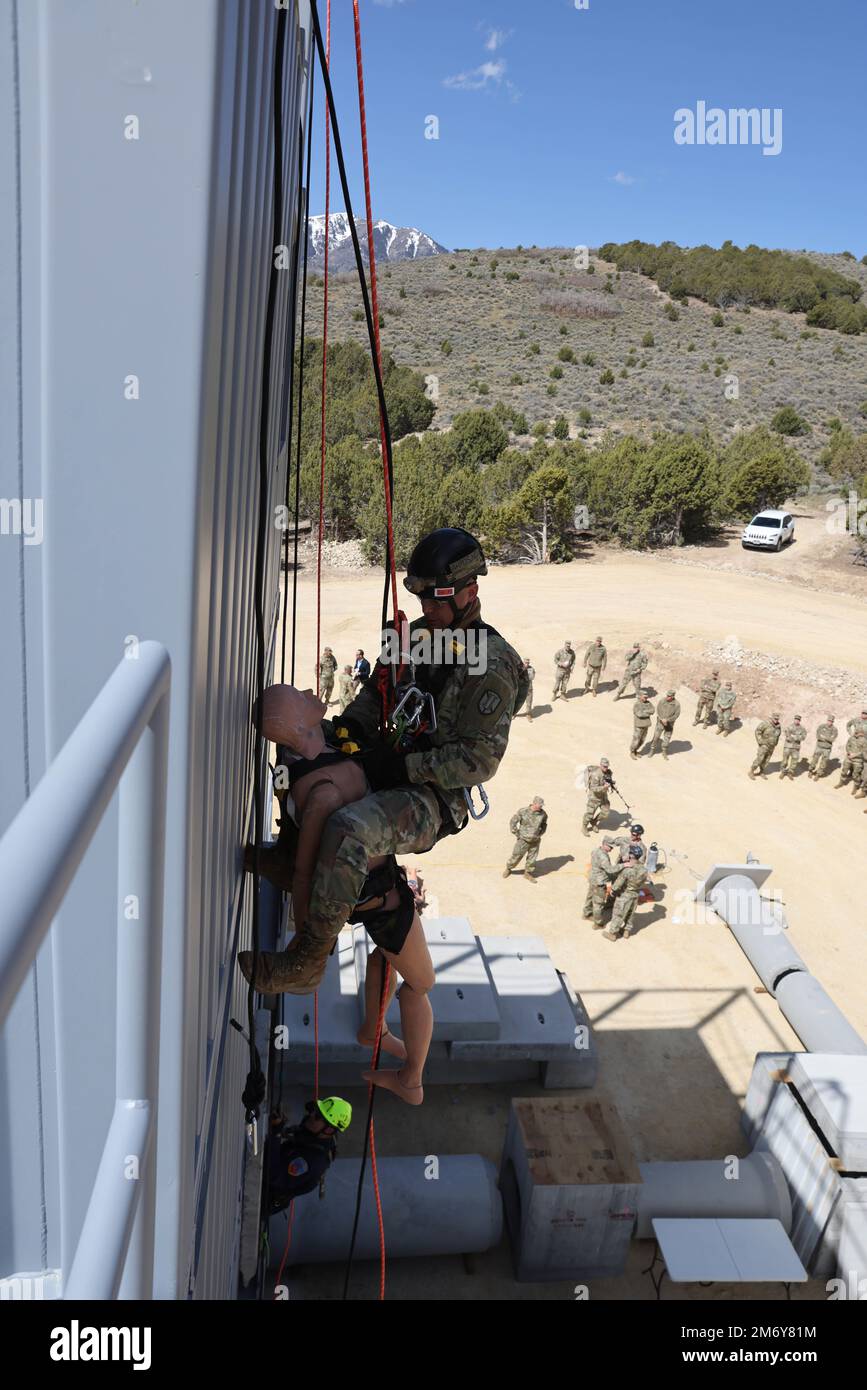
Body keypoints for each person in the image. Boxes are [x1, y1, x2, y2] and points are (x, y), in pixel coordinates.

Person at [241, 527, 526, 1098]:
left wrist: (399, 766)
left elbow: (477, 762)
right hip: (389, 759)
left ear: (469, 592)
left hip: (433, 796)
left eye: (436, 600)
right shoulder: (416, 637)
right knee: (302, 749)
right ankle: (293, 858)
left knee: (350, 828)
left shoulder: (491, 666)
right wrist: (346, 729)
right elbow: (378, 695)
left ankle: (308, 960)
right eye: (421, 598)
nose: (426, 610)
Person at [266, 1096, 351, 1212]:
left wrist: (276, 1133)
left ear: (329, 1130)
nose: (312, 1115)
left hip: (264, 1194)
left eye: (318, 1116)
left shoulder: (312, 1161)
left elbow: (272, 1175)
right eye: (315, 1110)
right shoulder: (314, 1132)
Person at [602, 844, 648, 941]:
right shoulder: (644, 870)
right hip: (635, 894)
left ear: (631, 855)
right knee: (630, 913)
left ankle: (612, 934)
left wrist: (612, 891)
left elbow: (617, 884)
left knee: (618, 914)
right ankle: (626, 931)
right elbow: (643, 882)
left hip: (624, 895)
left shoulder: (627, 870)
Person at [503, 796, 547, 882]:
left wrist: (540, 834)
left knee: (532, 859)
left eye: (542, 805)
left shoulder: (543, 814)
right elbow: (513, 822)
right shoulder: (523, 811)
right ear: (534, 803)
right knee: (516, 856)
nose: (541, 807)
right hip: (523, 840)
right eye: (540, 805)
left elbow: (544, 824)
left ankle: (528, 873)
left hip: (535, 840)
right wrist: (517, 834)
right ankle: (509, 868)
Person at [583, 836, 616, 928]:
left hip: (592, 878)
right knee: (599, 903)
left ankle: (586, 913)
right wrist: (622, 866)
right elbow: (609, 869)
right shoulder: (604, 857)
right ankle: (598, 923)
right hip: (599, 882)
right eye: (610, 847)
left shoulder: (595, 850)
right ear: (604, 844)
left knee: (590, 897)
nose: (612, 849)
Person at [582, 758, 612, 836]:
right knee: (590, 814)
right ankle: (584, 827)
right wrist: (604, 787)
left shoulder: (608, 772)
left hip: (603, 796)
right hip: (594, 798)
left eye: (607, 766)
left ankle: (594, 822)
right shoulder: (596, 775)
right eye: (604, 766)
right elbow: (593, 789)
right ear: (600, 765)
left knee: (605, 813)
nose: (606, 768)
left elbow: (609, 780)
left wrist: (612, 785)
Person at [748, 713, 782, 779]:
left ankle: (761, 772)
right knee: (760, 759)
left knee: (766, 760)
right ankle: (751, 771)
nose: (776, 720)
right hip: (764, 745)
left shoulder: (778, 727)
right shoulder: (765, 724)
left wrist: (775, 743)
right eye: (775, 719)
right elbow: (758, 731)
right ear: (772, 718)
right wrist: (760, 741)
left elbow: (777, 736)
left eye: (777, 719)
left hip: (771, 747)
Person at [651, 689, 681, 759]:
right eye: (667, 695)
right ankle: (652, 750)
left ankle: (664, 751)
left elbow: (676, 715)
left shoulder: (677, 704)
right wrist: (661, 719)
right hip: (660, 723)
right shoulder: (662, 701)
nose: (667, 697)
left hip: (669, 724)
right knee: (656, 737)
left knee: (667, 738)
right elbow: (658, 710)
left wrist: (667, 720)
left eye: (669, 696)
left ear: (673, 696)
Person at [808, 714, 838, 779]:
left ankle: (818, 774)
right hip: (819, 746)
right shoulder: (821, 726)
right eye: (829, 721)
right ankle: (810, 771)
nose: (830, 722)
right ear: (827, 720)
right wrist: (827, 738)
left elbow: (832, 739)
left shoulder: (834, 730)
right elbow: (818, 736)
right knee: (814, 760)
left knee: (824, 762)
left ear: (833, 722)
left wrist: (824, 737)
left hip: (827, 749)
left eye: (831, 721)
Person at [779, 715, 807, 780]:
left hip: (796, 747)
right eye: (796, 719)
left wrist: (794, 736)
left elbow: (803, 737)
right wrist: (796, 737)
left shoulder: (802, 729)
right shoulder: (789, 726)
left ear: (800, 721)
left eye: (798, 720)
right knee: (785, 760)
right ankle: (783, 772)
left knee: (794, 760)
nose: (797, 721)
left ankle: (790, 773)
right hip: (788, 746)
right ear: (794, 719)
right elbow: (787, 735)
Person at [630, 692, 655, 758]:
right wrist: (648, 712)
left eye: (647, 697)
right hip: (639, 725)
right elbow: (639, 714)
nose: (646, 698)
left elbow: (653, 710)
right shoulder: (637, 704)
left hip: (646, 724)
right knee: (636, 739)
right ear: (640, 696)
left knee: (642, 740)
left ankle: (636, 751)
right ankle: (632, 752)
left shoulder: (648, 703)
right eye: (644, 697)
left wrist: (645, 711)